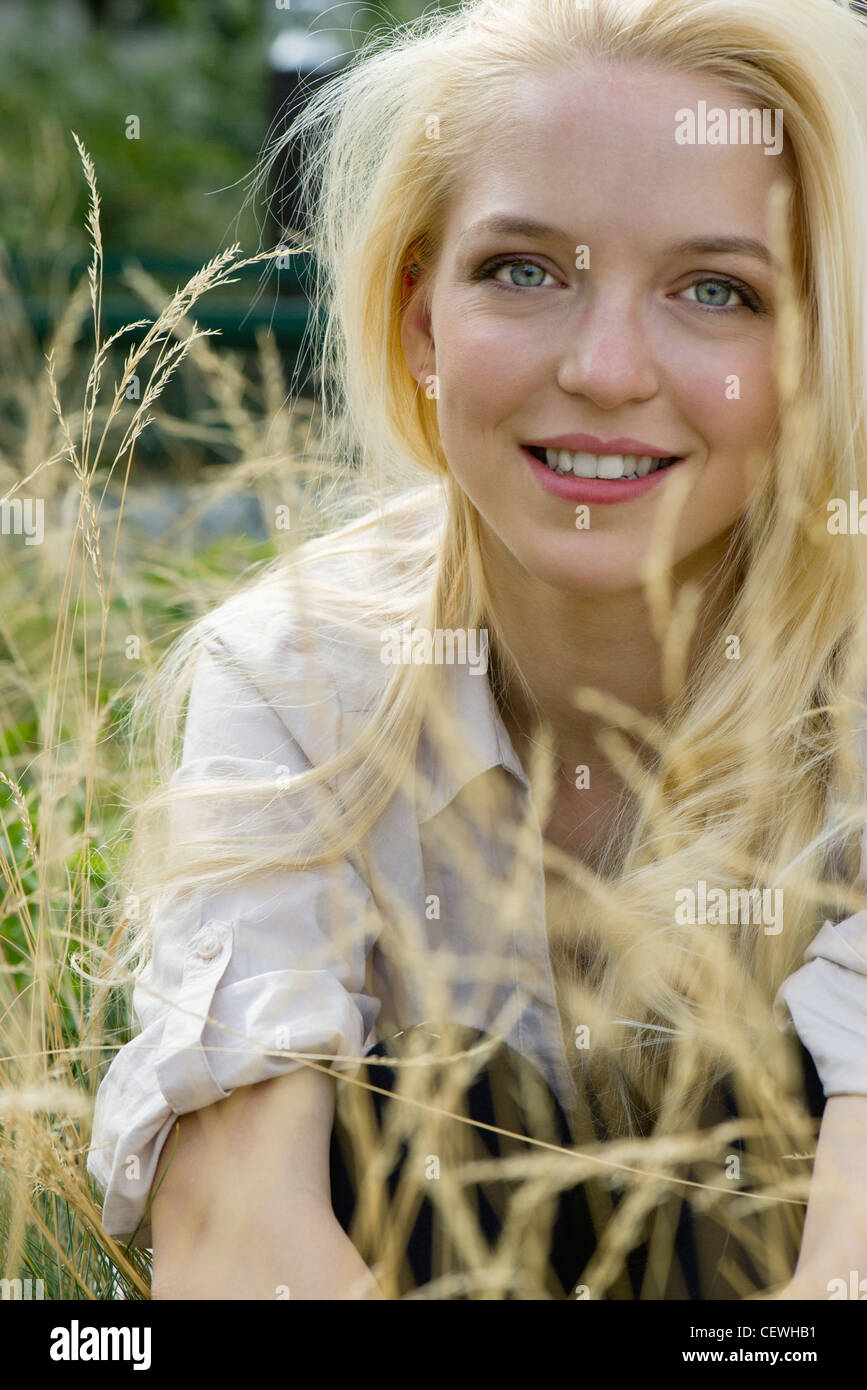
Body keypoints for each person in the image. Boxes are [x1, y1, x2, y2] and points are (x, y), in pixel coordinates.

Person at [86, 0, 867, 1299]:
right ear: (419, 327)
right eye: (524, 269)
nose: (607, 367)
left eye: (717, 289)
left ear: (818, 356)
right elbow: (233, 1230)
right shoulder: (294, 674)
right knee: (427, 1098)